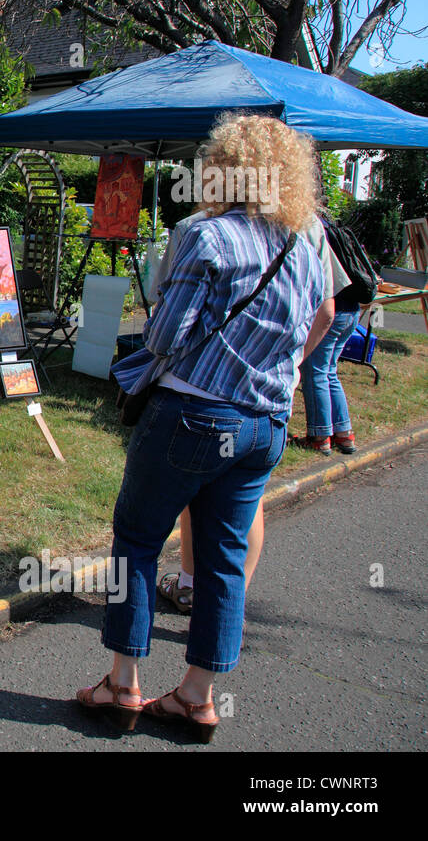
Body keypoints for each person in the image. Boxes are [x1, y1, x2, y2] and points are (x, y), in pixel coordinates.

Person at [77, 113, 327, 742]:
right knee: (222, 560)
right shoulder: (305, 239)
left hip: (193, 412)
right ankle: (196, 695)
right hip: (266, 422)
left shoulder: (206, 236)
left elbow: (165, 336)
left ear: (221, 168)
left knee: (136, 540)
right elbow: (314, 324)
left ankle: (123, 684)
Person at [153, 197, 347, 612]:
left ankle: (188, 589)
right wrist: (289, 367)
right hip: (267, 408)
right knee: (241, 509)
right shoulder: (306, 228)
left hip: (200, 403)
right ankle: (221, 608)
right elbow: (326, 313)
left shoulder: (200, 227)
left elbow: (165, 327)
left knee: (164, 512)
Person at [294, 204, 360, 455]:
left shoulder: (308, 227)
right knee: (329, 372)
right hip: (350, 310)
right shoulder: (329, 228)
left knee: (315, 373)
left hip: (333, 308)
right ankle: (344, 434)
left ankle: (320, 436)